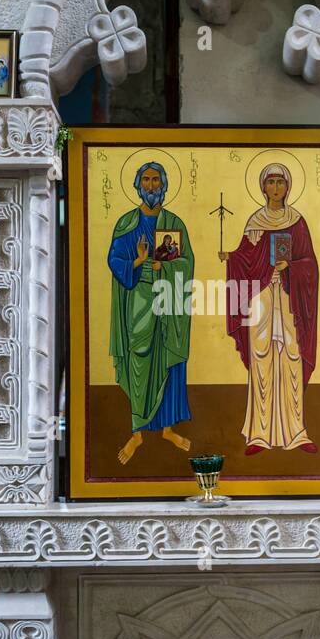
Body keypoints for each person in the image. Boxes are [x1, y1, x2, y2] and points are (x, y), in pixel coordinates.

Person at [220, 163, 319, 454]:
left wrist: (292, 266)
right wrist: (231, 258)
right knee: (261, 357)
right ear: (263, 187)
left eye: (281, 182)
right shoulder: (255, 221)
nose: (276, 187)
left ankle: (296, 432)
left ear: (287, 187)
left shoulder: (297, 222)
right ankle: (259, 434)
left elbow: (310, 263)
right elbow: (246, 259)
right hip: (262, 298)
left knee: (291, 356)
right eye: (271, 182)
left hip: (289, 298)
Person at [107, 162, 194, 463]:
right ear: (137, 185)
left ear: (165, 184)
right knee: (138, 365)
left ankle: (167, 429)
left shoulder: (175, 223)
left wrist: (165, 266)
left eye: (156, 180)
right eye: (146, 179)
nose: (152, 185)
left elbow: (187, 264)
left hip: (167, 303)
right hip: (138, 303)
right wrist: (140, 263)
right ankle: (137, 434)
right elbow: (115, 261)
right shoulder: (126, 224)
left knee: (167, 364)